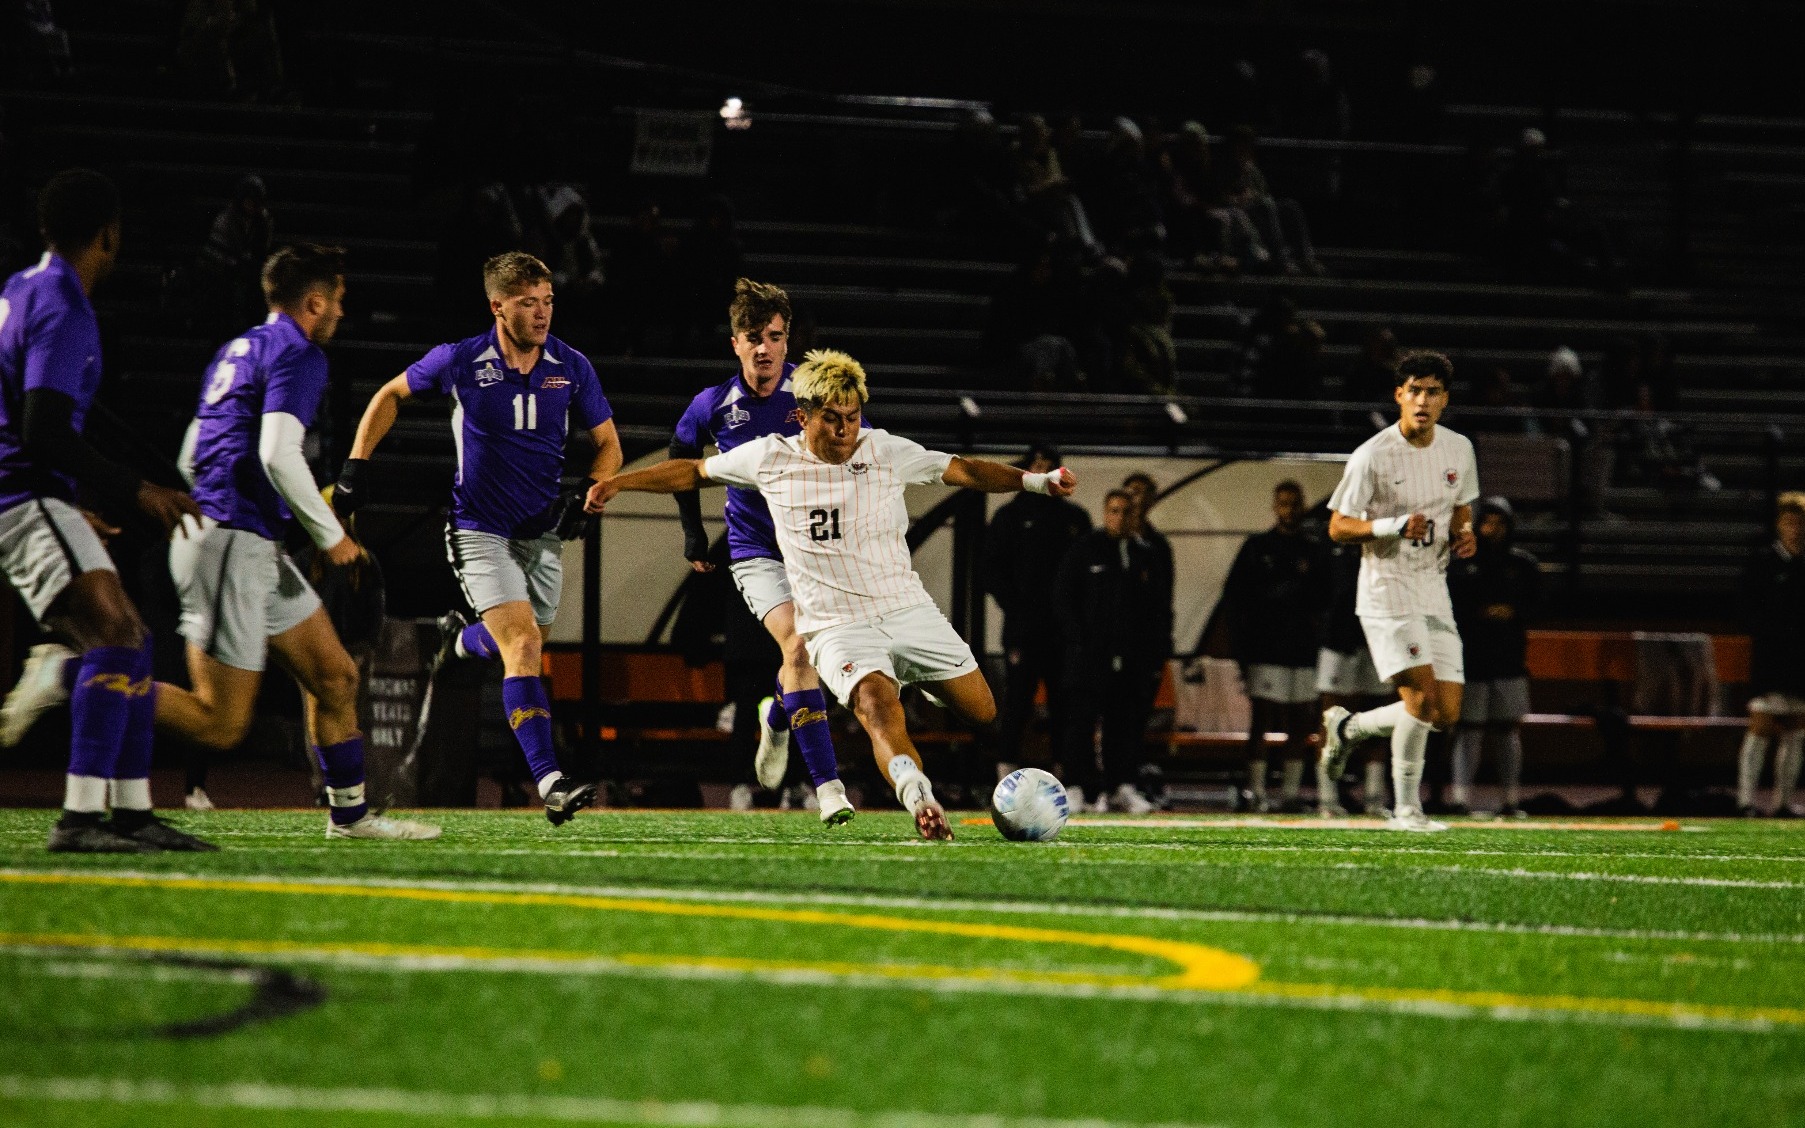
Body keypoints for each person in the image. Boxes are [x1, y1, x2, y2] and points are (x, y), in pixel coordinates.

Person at [2, 245, 442, 841]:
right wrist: (331, 537)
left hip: (240, 540)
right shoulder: (299, 353)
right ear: (314, 301)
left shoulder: (239, 349)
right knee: (219, 723)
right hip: (232, 542)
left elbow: (191, 452)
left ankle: (351, 816)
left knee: (335, 675)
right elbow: (276, 454)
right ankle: (68, 677)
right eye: (337, 299)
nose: (341, 311)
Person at [588, 349, 1077, 840]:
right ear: (802, 416)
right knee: (878, 709)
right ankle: (920, 799)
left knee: (983, 710)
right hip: (837, 626)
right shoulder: (770, 457)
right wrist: (618, 484)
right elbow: (693, 471)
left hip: (906, 609)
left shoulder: (883, 449)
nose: (845, 430)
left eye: (852, 416)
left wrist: (1036, 481)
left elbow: (964, 470)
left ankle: (786, 705)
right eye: (831, 418)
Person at [333, 251, 621, 826]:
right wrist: (355, 466)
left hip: (540, 536)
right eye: (527, 304)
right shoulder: (462, 359)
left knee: (525, 640)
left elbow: (609, 444)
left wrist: (592, 491)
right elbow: (389, 395)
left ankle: (462, 643)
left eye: (548, 302)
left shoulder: (571, 365)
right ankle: (552, 782)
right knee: (524, 650)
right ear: (497, 306)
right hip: (479, 531)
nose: (542, 314)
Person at [0, 169, 207, 852]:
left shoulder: (19, 289)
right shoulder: (62, 302)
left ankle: (132, 813)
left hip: (29, 492)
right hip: (19, 491)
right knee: (116, 633)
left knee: (131, 638)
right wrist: (135, 489)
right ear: (109, 234)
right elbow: (44, 428)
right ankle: (82, 819)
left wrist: (73, 499)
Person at [668, 278, 853, 825]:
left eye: (775, 336)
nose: (765, 347)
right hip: (756, 553)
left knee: (808, 659)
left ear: (787, 339)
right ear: (736, 343)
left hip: (814, 551)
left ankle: (777, 717)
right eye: (754, 337)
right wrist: (691, 532)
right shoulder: (713, 405)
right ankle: (828, 789)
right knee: (797, 645)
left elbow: (855, 446)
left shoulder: (814, 394)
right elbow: (682, 459)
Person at [1318, 351, 1480, 832]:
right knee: (1421, 703)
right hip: (1387, 591)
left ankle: (1349, 728)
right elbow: (1337, 526)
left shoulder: (1459, 449)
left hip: (1434, 589)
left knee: (1446, 712)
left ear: (1445, 399)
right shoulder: (1373, 454)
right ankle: (1406, 810)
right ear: (1399, 396)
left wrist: (1464, 532)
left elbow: (1461, 510)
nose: (1422, 400)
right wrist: (1390, 526)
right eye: (1414, 390)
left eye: (1432, 391)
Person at [981, 442, 1091, 781]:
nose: (1043, 471)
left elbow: (1084, 578)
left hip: (1063, 632)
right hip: (1023, 631)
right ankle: (1005, 773)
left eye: (1050, 465)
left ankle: (1063, 775)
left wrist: (1075, 622)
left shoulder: (1075, 518)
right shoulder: (1009, 516)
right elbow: (992, 571)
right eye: (1037, 464)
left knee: (1063, 703)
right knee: (1017, 702)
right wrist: (1016, 610)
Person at [1219, 480, 1328, 812]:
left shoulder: (1314, 549)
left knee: (1300, 722)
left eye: (1295, 503)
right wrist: (1243, 646)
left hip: (1304, 651)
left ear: (1303, 505)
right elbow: (1235, 597)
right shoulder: (1257, 547)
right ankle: (1256, 793)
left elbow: (1326, 598)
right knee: (1262, 720)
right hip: (1266, 650)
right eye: (1283, 503)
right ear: (1274, 506)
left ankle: (1291, 794)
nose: (1289, 509)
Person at [1056, 490, 1166, 813]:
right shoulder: (1084, 550)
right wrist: (1079, 641)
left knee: (1126, 725)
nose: (1119, 517)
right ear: (1105, 513)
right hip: (1090, 657)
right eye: (1114, 511)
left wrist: (1151, 651)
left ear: (1136, 517)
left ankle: (1122, 787)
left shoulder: (1146, 555)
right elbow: (1063, 597)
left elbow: (1156, 608)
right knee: (1081, 722)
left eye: (1126, 512)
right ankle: (1077, 787)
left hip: (1130, 658)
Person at [1447, 496, 1541, 818]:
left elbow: (1539, 607)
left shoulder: (1523, 565)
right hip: (1471, 659)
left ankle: (1510, 801)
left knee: (1507, 729)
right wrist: (1480, 614)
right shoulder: (1460, 565)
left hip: (1509, 659)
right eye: (1488, 522)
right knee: (1469, 729)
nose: (1493, 529)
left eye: (1500, 523)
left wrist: (1512, 613)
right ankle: (1460, 799)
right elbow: (1451, 609)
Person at [1313, 536, 1394, 816]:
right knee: (1331, 719)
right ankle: (1327, 799)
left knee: (1379, 721)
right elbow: (1316, 593)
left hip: (1378, 641)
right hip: (1337, 642)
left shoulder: (1386, 540)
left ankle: (1374, 799)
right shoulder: (1329, 546)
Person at [1736, 493, 1805, 818]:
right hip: (1771, 658)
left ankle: (1783, 803)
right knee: (1761, 726)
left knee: (1796, 730)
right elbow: (1747, 609)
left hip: (1800, 660)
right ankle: (1746, 801)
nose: (1795, 529)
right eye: (1790, 522)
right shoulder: (1764, 563)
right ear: (1779, 525)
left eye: (1800, 523)